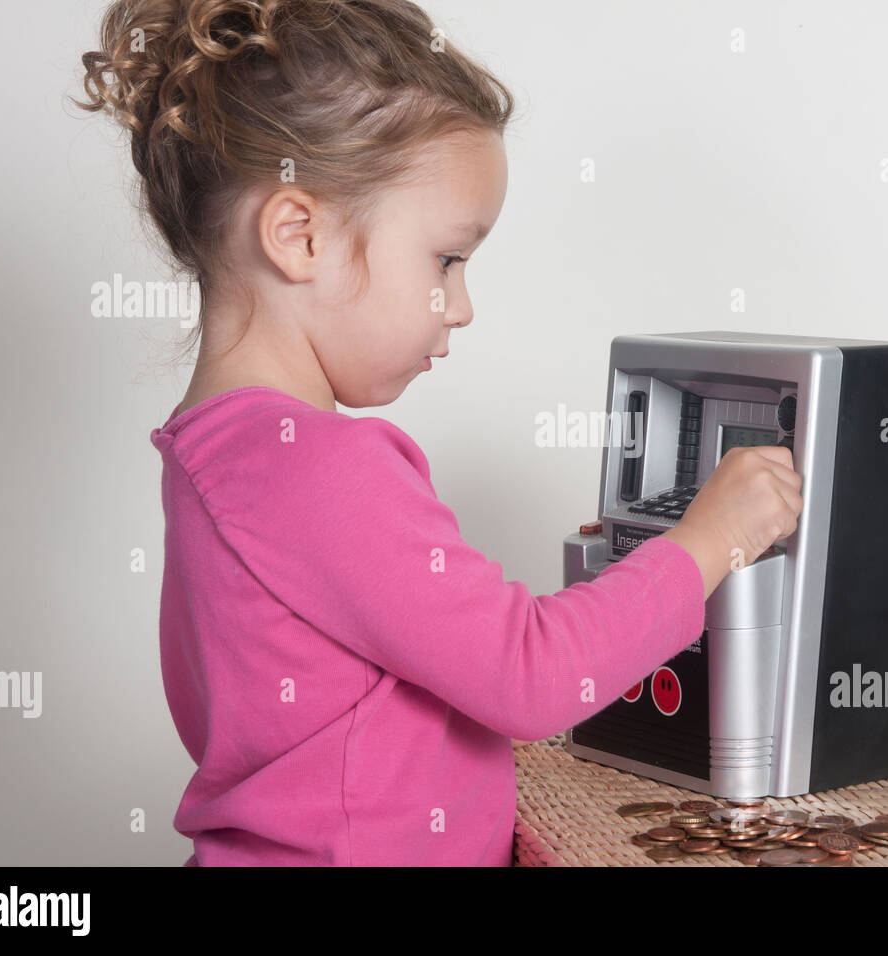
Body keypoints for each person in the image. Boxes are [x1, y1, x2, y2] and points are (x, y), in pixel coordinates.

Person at [76, 0, 802, 865]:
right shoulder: (318, 467)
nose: (460, 306)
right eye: (447, 260)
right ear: (298, 236)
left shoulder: (213, 454)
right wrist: (708, 540)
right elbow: (532, 676)